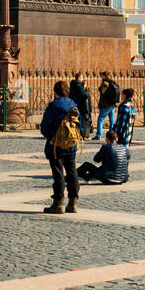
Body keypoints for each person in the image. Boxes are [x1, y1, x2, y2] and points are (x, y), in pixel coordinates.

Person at [40, 80, 81, 214]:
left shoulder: (53, 107)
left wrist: (50, 135)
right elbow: (79, 125)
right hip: (71, 144)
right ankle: (73, 202)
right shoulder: (74, 106)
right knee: (72, 172)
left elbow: (44, 128)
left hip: (55, 145)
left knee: (58, 174)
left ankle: (58, 202)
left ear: (55, 92)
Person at [96, 73, 120, 139]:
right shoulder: (113, 82)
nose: (101, 77)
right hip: (112, 103)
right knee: (112, 119)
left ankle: (98, 135)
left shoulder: (105, 83)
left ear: (104, 76)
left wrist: (100, 88)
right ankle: (111, 134)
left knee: (100, 119)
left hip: (106, 104)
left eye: (101, 76)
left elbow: (103, 92)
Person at [69, 73, 92, 138]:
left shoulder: (72, 84)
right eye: (81, 77)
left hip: (74, 103)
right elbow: (84, 95)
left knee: (75, 119)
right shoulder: (78, 85)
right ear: (78, 78)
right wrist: (86, 93)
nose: (82, 79)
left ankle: (75, 133)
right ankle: (79, 134)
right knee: (80, 120)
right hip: (79, 105)